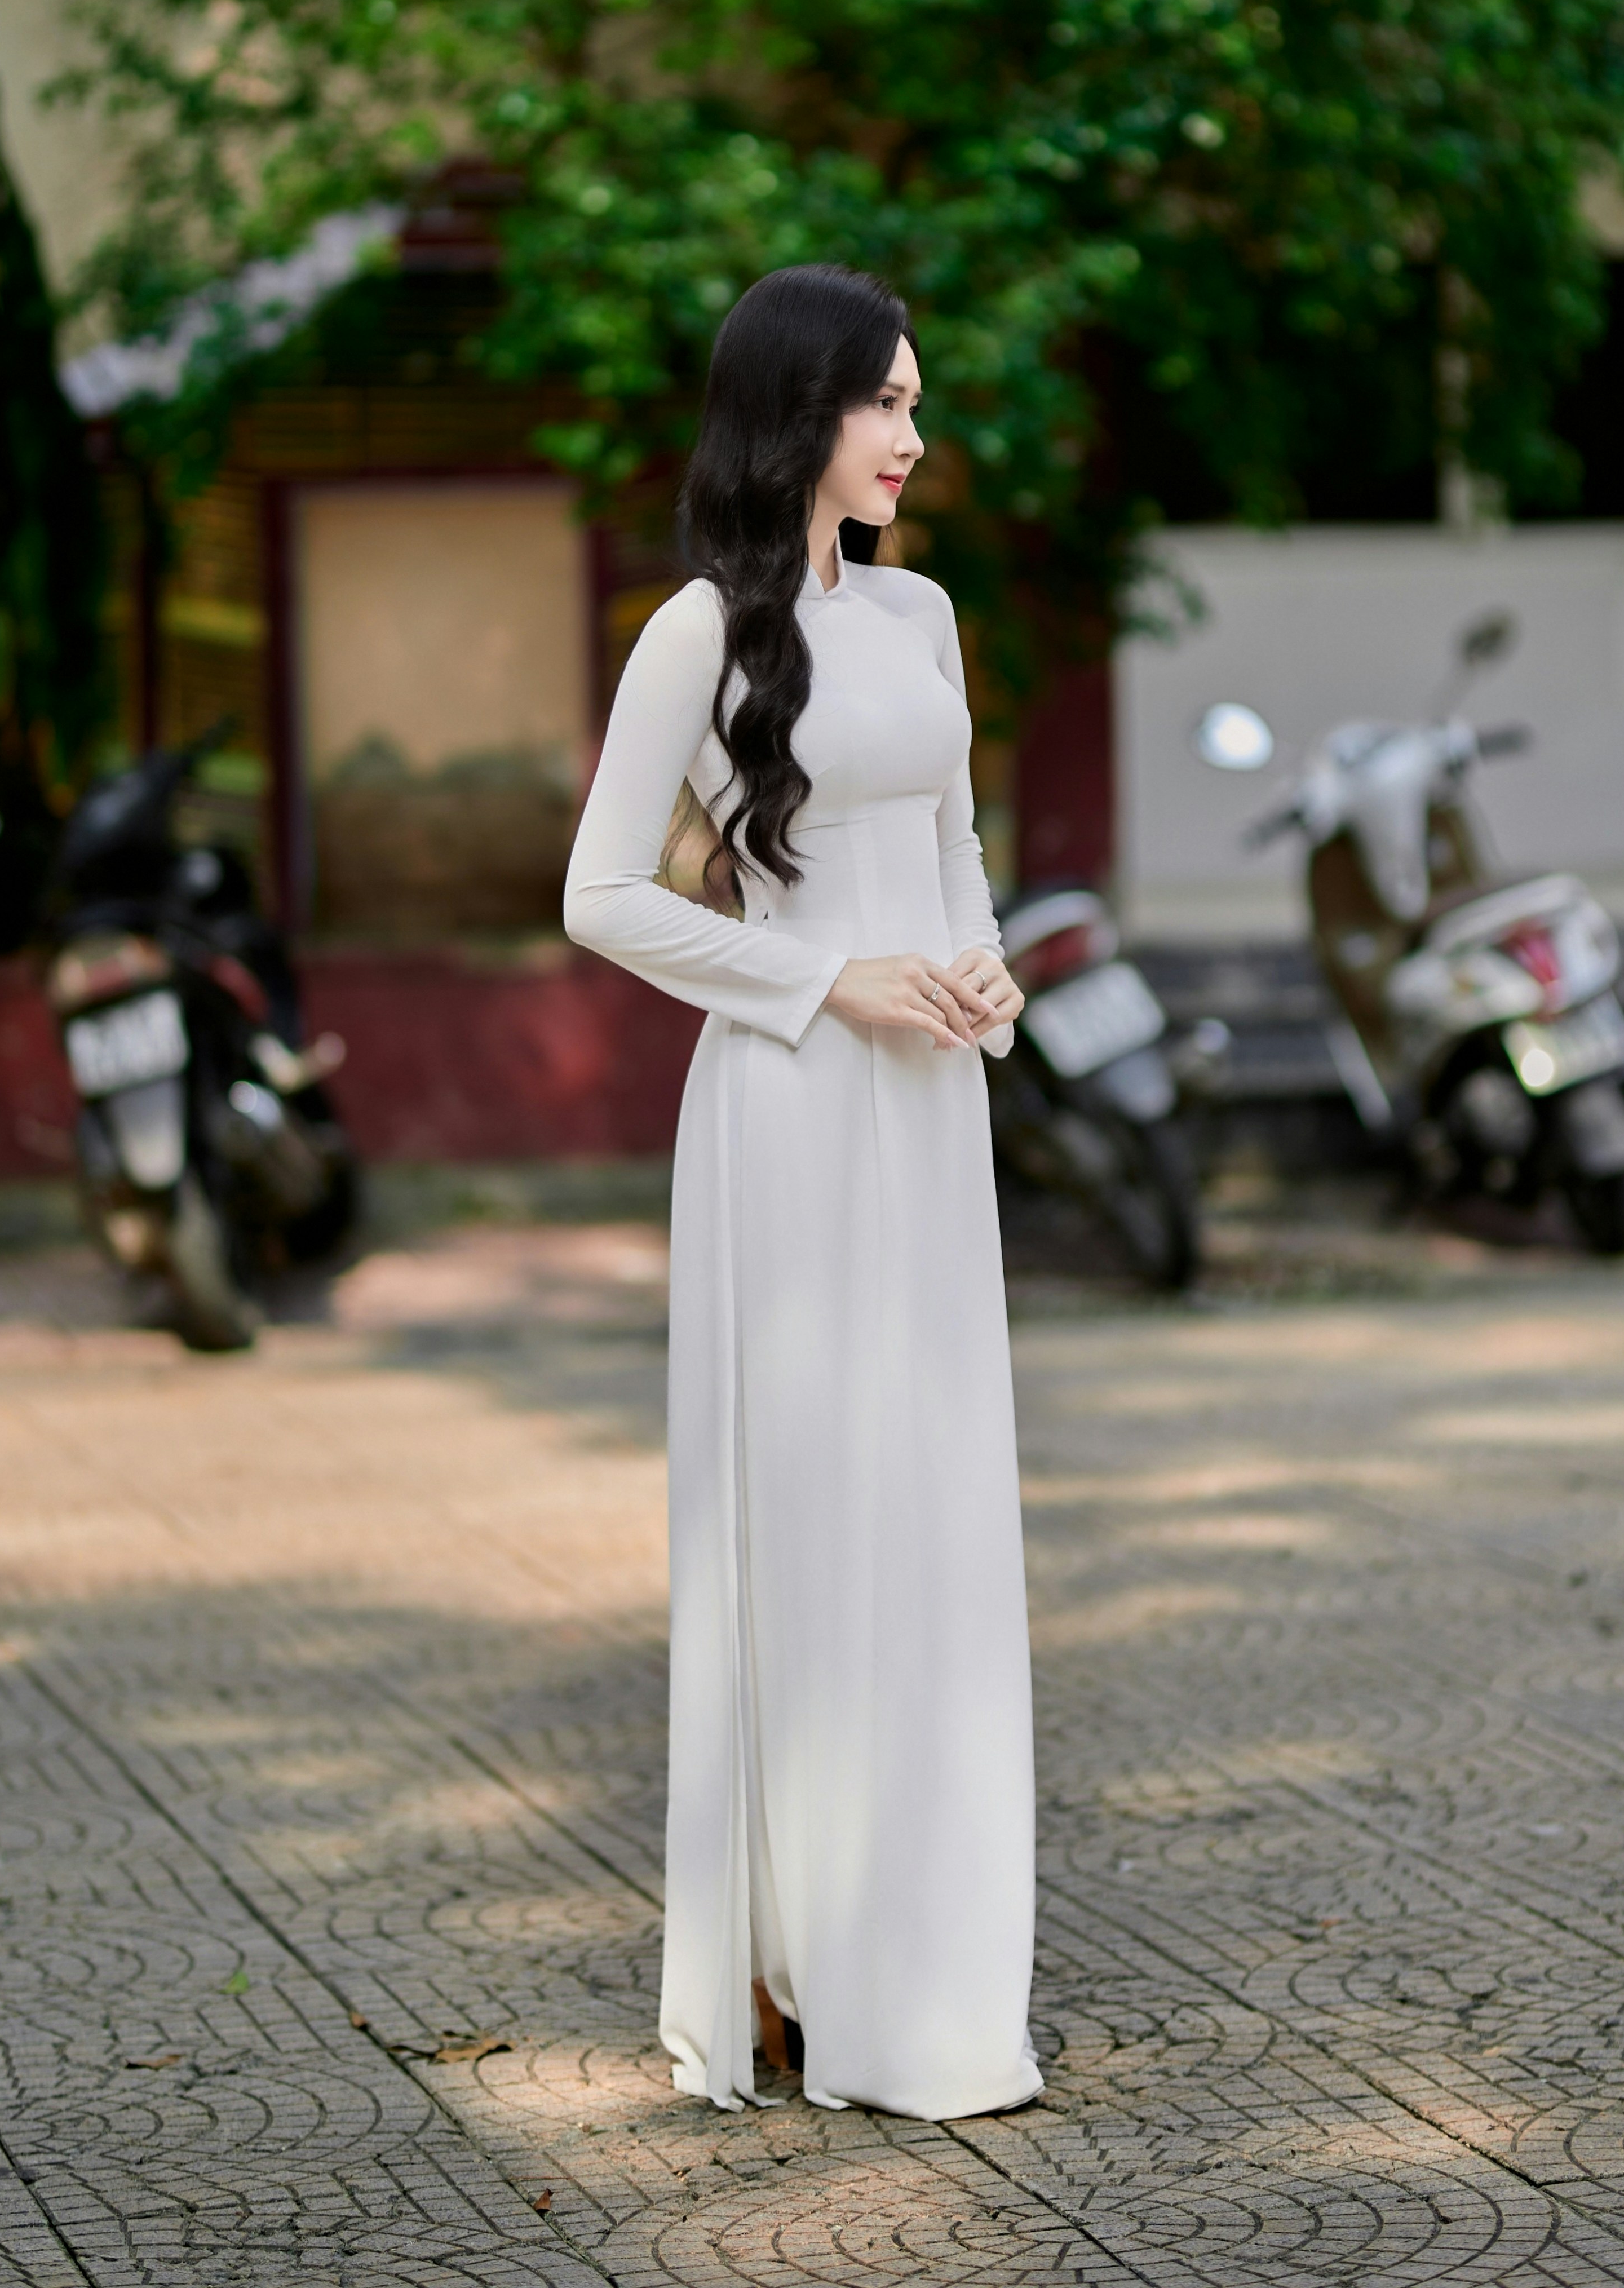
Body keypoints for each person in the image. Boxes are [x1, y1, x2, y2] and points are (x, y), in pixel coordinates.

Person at [563, 262, 1039, 2122]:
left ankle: (923, 1965)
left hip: (931, 1111)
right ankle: (787, 1963)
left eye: (917, 402)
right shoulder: (697, 633)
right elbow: (605, 895)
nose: (915, 434)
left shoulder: (920, 615)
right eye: (885, 403)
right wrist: (828, 982)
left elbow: (953, 842)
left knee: (937, 1514)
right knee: (815, 1515)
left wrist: (984, 975)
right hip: (791, 1111)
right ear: (798, 413)